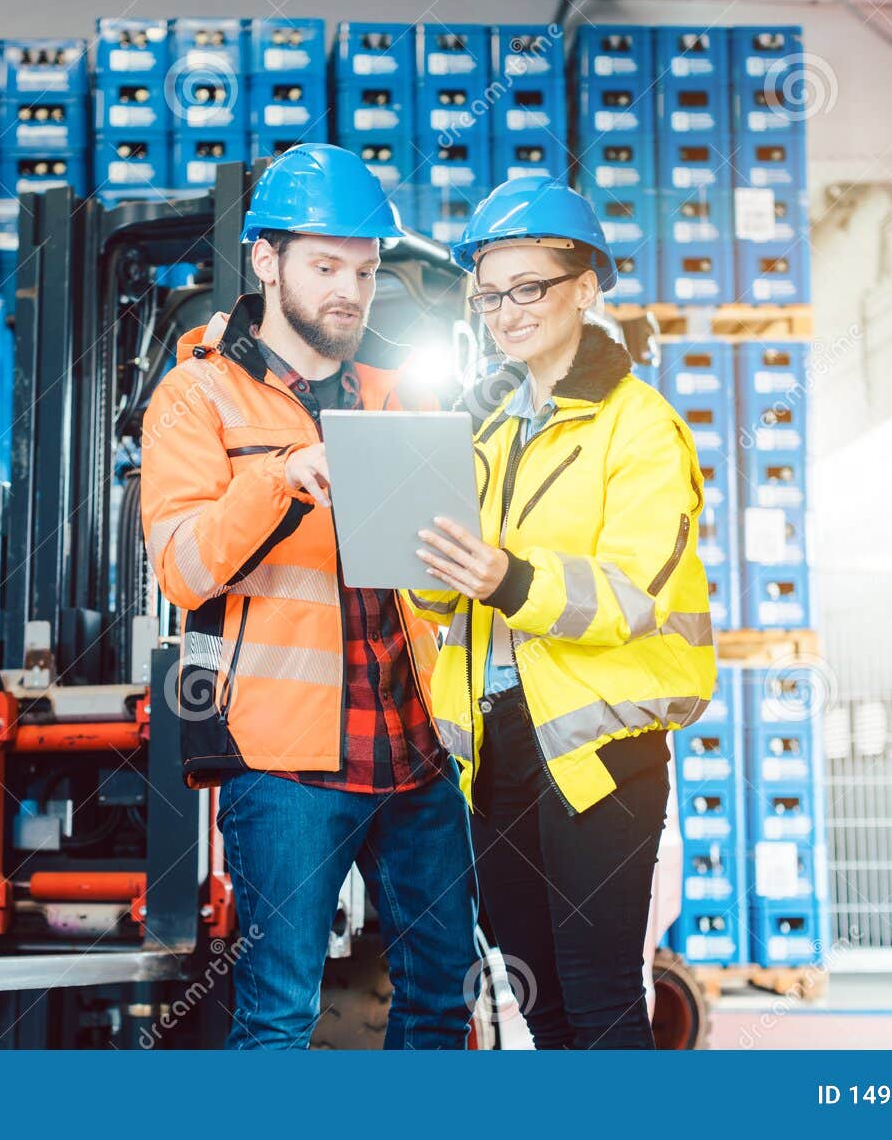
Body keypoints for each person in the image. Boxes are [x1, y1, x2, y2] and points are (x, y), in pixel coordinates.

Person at [139, 143, 477, 1050]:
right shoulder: (195, 396)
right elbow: (183, 566)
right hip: (285, 764)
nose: (349, 292)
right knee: (277, 1017)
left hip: (416, 753)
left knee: (442, 1006)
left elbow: (438, 575)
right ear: (265, 259)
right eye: (326, 266)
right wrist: (284, 477)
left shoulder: (394, 396)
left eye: (364, 271)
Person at [406, 175, 718, 1050]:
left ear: (586, 286)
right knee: (538, 1004)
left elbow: (630, 592)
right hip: (498, 745)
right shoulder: (493, 432)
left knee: (600, 996)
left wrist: (507, 577)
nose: (506, 311)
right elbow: (454, 594)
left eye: (528, 287)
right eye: (491, 294)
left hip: (598, 753)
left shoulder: (640, 427)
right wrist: (420, 559)